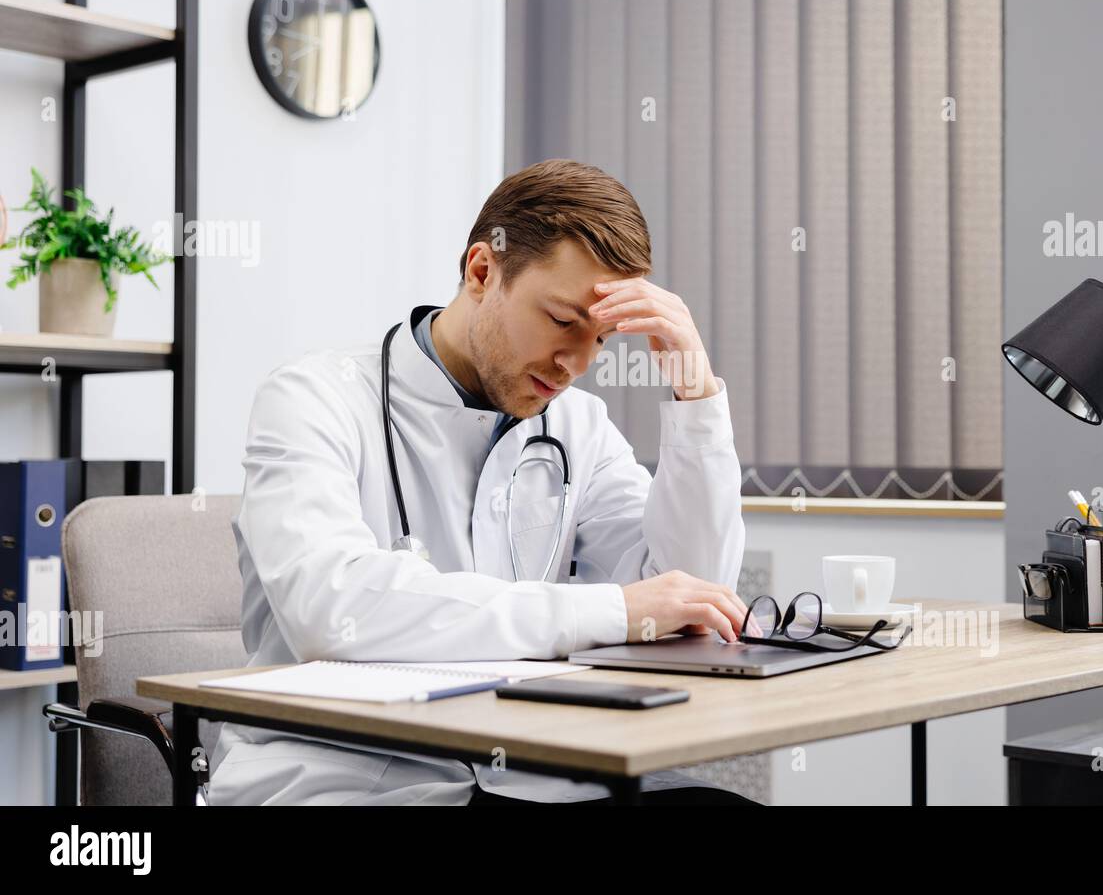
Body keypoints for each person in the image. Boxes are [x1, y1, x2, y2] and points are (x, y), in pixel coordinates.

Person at [207, 159, 754, 805]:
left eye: (602, 339)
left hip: (527, 775)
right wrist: (611, 610)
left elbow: (691, 596)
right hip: (347, 779)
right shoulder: (311, 399)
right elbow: (332, 611)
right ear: (482, 272)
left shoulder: (578, 425)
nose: (577, 363)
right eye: (560, 320)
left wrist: (695, 390)